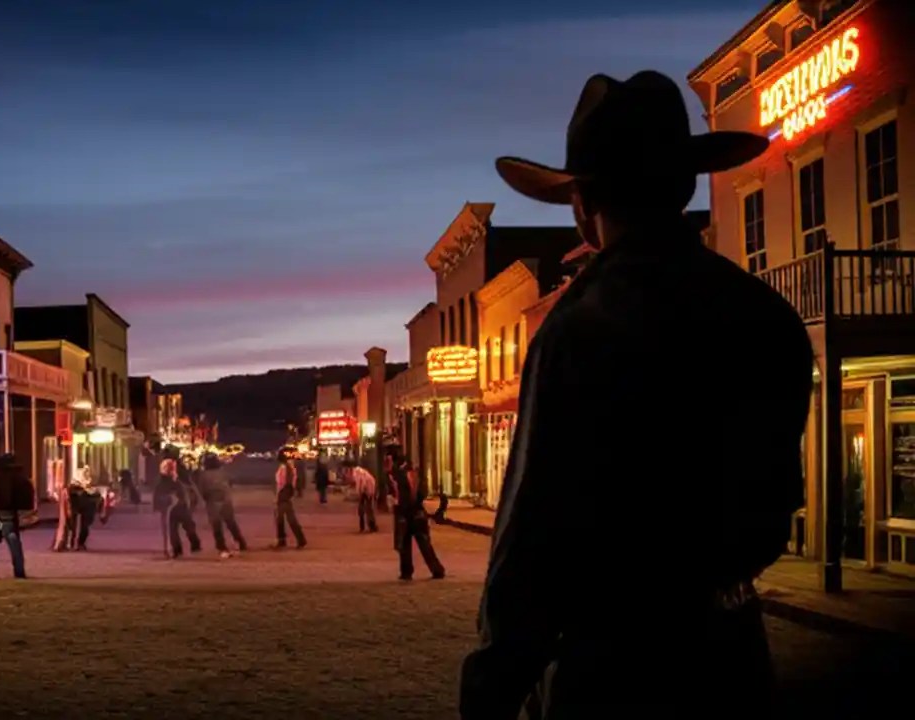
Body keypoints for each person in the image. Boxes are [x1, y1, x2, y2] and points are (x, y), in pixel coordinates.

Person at [459, 71, 812, 719]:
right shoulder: (763, 315)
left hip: (612, 670)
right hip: (730, 657)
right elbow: (777, 501)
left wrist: (496, 673)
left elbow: (535, 525)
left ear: (584, 203)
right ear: (682, 186)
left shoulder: (582, 326)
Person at [387, 451, 442, 582]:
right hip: (418, 512)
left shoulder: (398, 476)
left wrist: (401, 510)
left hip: (406, 514)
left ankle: (406, 572)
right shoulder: (414, 474)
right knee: (424, 544)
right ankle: (437, 569)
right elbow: (422, 492)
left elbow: (401, 497)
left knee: (405, 545)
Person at [0, 453, 34, 579]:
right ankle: (19, 571)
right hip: (8, 514)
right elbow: (26, 493)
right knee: (14, 544)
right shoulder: (18, 476)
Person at [199, 452, 247, 558]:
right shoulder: (223, 472)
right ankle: (241, 542)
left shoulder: (203, 475)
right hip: (226, 500)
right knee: (231, 523)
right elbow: (230, 483)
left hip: (213, 502)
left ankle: (222, 547)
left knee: (217, 526)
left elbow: (203, 490)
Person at [272, 450, 307, 549]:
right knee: (284, 518)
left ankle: (288, 540)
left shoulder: (284, 468)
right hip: (285, 494)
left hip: (283, 494)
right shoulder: (289, 467)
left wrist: (280, 495)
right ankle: (297, 539)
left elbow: (282, 483)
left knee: (284, 518)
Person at [342, 459, 378, 533]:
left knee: (368, 508)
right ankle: (367, 526)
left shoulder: (357, 473)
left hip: (368, 489)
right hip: (367, 488)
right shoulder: (355, 472)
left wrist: (359, 494)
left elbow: (361, 484)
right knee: (365, 508)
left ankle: (371, 526)